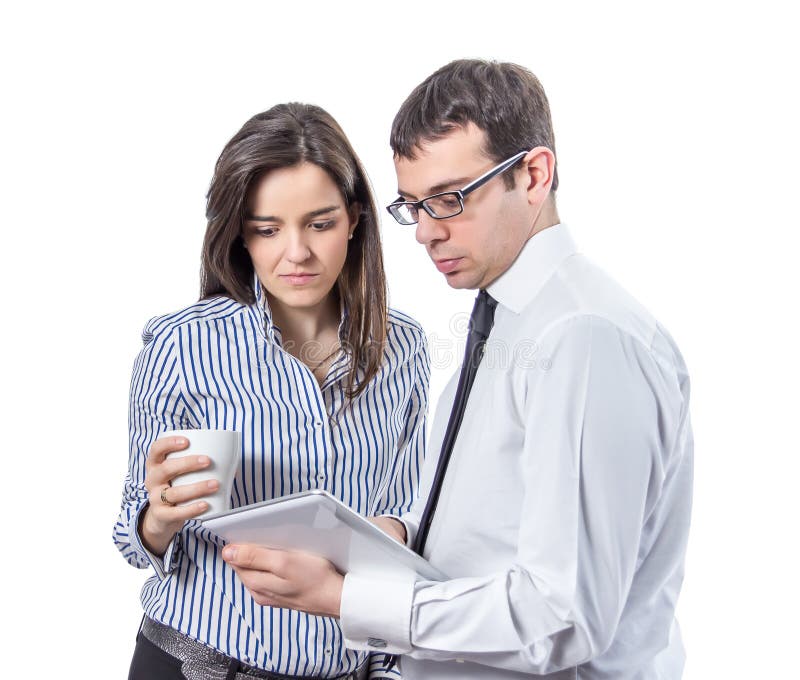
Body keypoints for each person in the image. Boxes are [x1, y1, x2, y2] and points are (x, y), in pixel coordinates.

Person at [221, 60, 694, 679]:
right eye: (413, 206)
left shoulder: (584, 337)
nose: (424, 233)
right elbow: (491, 530)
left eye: (449, 199)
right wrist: (389, 535)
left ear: (533, 174)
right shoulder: (508, 319)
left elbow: (563, 615)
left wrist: (347, 599)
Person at [113, 102, 429, 680]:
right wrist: (157, 518)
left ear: (355, 219)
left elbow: (407, 518)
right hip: (198, 663)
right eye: (267, 229)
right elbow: (134, 540)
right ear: (241, 233)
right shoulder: (181, 345)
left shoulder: (403, 348)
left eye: (320, 223)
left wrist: (393, 537)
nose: (297, 253)